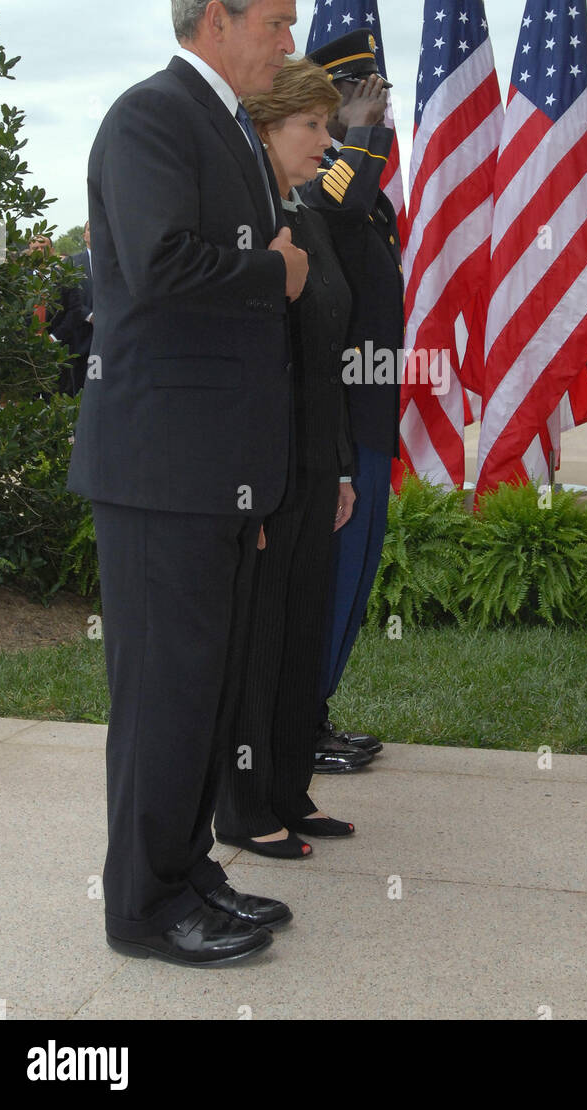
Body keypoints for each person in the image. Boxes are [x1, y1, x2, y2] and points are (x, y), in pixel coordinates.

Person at [67, 0, 309, 967]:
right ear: (216, 19)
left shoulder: (226, 130)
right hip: (161, 472)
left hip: (214, 468)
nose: (286, 42)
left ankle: (186, 870)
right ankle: (143, 905)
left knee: (204, 690)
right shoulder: (150, 117)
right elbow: (162, 263)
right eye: (275, 23)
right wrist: (274, 268)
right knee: (165, 694)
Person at [214, 57, 365, 859]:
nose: (326, 141)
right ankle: (242, 809)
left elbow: (327, 353)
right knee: (258, 639)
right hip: (262, 469)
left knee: (300, 631)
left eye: (328, 126)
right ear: (266, 128)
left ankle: (287, 789)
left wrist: (340, 466)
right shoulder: (249, 226)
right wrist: (253, 490)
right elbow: (248, 365)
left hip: (313, 462)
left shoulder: (305, 214)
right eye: (311, 126)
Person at [301, 31, 404, 772]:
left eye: (381, 93)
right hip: (335, 420)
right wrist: (361, 133)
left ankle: (314, 712)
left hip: (369, 411)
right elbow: (337, 205)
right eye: (365, 92)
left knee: (353, 578)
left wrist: (362, 137)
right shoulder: (312, 189)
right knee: (327, 577)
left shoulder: (365, 199)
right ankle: (295, 724)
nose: (381, 105)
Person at [49, 220, 94, 395]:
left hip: (112, 338)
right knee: (83, 390)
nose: (94, 232)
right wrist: (89, 315)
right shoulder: (71, 263)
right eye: (90, 229)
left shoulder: (118, 262)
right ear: (84, 236)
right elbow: (67, 301)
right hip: (81, 338)